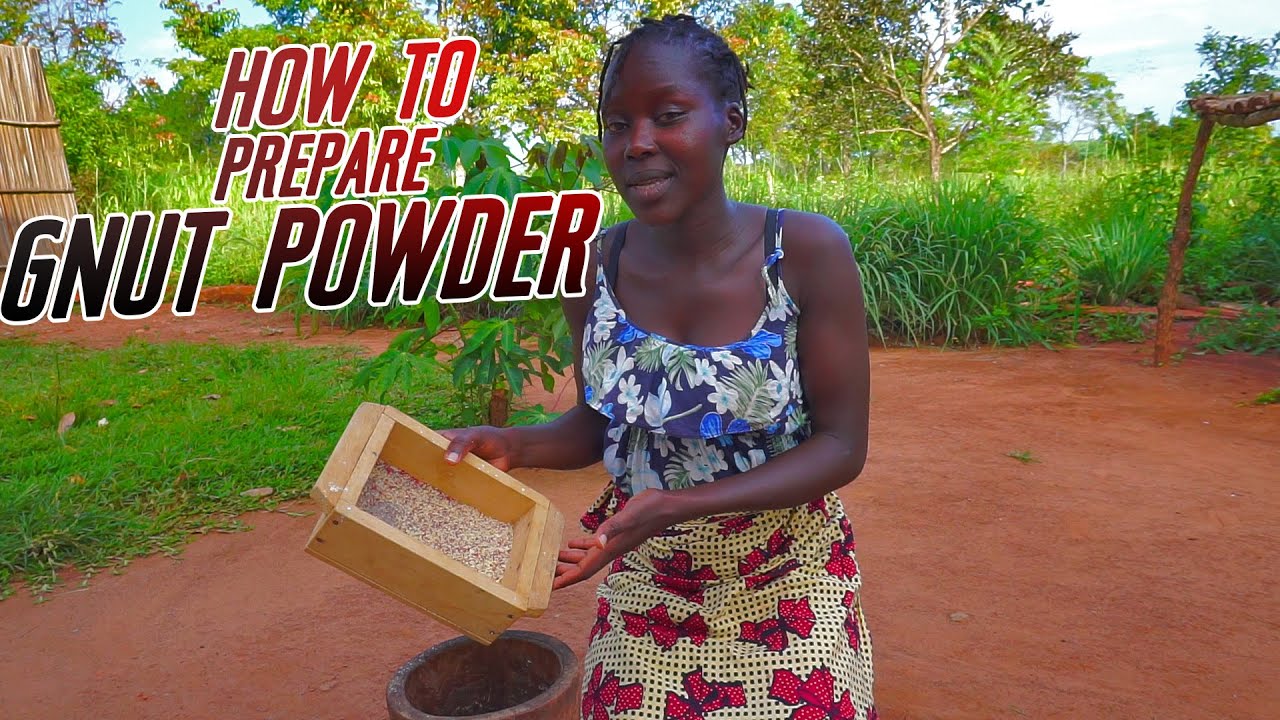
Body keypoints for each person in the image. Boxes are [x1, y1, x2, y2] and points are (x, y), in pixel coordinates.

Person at [442, 14, 875, 719]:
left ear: (731, 120)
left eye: (668, 116)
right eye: (618, 125)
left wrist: (676, 504)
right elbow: (600, 423)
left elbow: (840, 446)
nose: (637, 143)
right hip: (648, 582)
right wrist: (515, 444)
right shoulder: (595, 267)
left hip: (789, 577)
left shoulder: (804, 252)